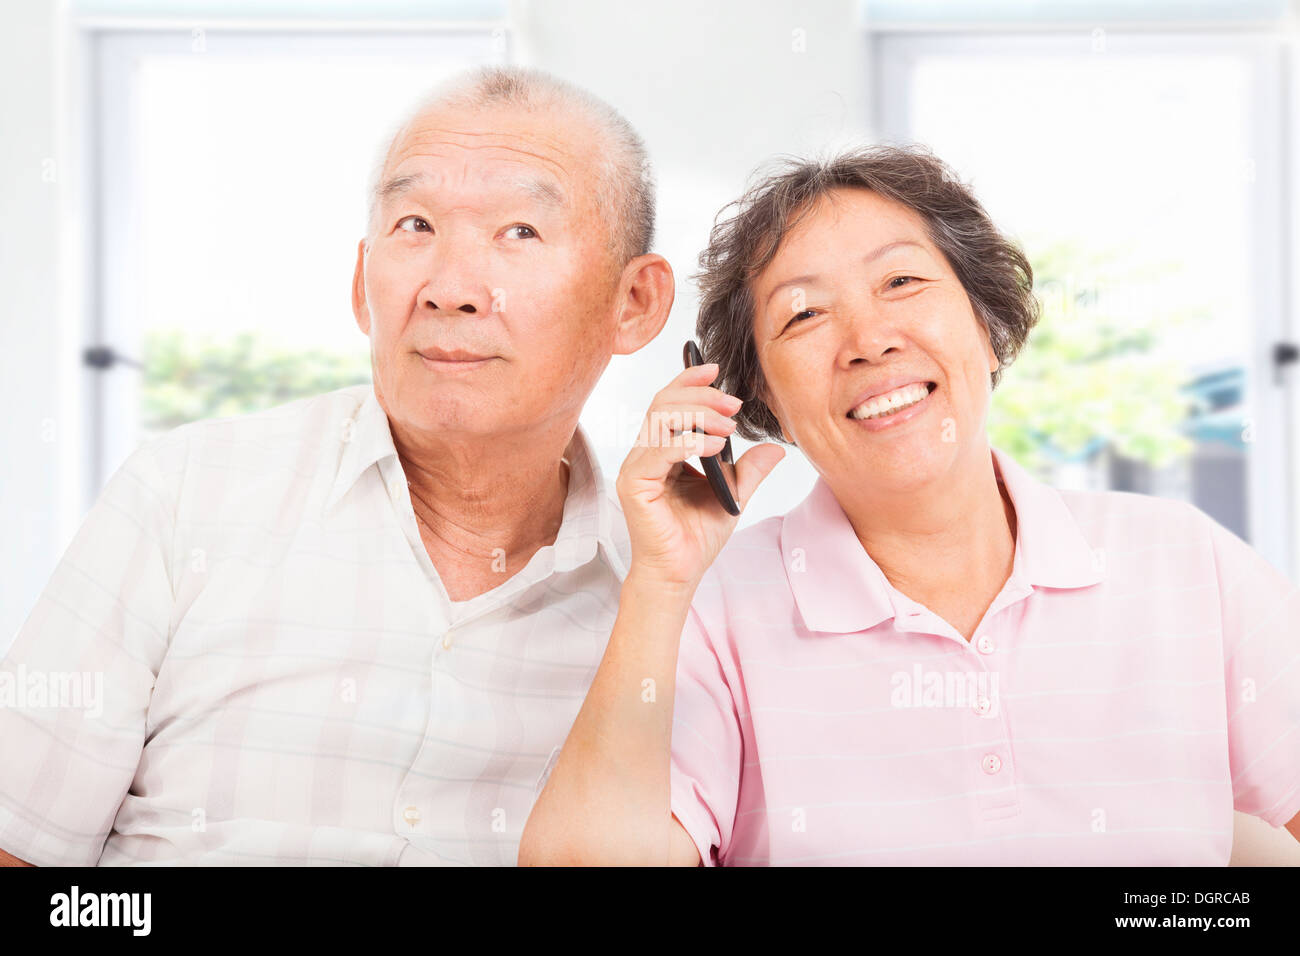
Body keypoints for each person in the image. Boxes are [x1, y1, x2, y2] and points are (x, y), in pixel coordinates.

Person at [519, 144, 1300, 866]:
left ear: (989, 328)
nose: (869, 338)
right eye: (804, 315)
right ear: (764, 402)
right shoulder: (712, 614)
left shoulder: (1183, 561)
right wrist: (659, 582)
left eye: (902, 282)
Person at [0, 65, 674, 866]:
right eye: (415, 225)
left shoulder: (664, 598)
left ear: (634, 303)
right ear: (362, 285)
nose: (450, 288)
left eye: (520, 232)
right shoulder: (185, 494)